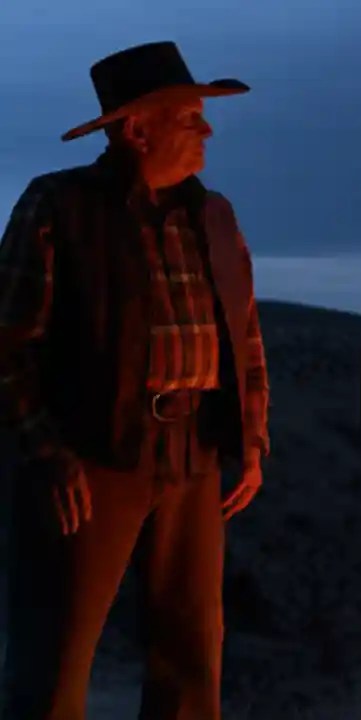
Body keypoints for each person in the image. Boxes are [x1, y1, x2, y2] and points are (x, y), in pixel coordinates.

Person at [0, 41, 269, 719]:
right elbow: (8, 343)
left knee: (191, 653)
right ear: (137, 128)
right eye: (189, 117)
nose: (206, 129)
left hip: (194, 455)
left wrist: (253, 439)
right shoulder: (60, 206)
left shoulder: (214, 215)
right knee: (55, 655)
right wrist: (48, 453)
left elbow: (245, 334)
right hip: (93, 460)